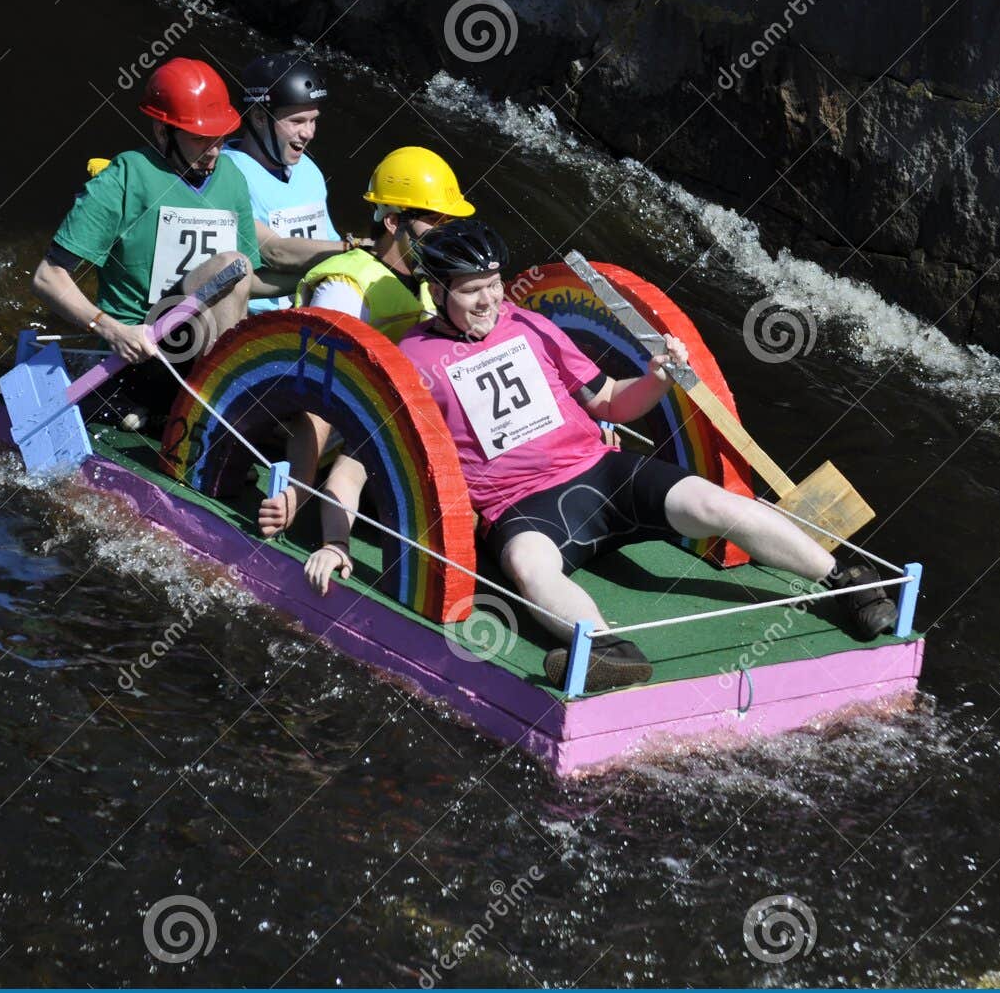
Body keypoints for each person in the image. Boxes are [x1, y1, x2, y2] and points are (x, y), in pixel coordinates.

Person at [380, 220, 896, 692]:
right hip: (521, 505)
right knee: (526, 565)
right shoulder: (412, 358)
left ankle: (845, 582)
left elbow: (608, 402)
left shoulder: (529, 324)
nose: (489, 299)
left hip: (603, 472)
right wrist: (338, 535)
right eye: (472, 290)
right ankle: (608, 651)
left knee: (717, 505)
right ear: (438, 290)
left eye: (494, 283)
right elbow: (386, 448)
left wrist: (655, 378)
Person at [31, 57, 347, 429]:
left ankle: (217, 410)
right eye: (200, 138)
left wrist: (322, 274)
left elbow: (243, 282)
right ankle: (213, 422)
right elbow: (48, 277)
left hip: (201, 353)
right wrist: (110, 329)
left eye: (219, 136)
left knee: (238, 268)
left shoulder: (230, 177)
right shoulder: (125, 177)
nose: (214, 150)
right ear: (163, 132)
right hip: (140, 354)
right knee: (233, 263)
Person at [255, 146, 475, 539]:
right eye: (433, 220)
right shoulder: (346, 285)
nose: (445, 233)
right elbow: (316, 392)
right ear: (393, 222)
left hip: (377, 430)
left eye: (447, 221)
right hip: (320, 428)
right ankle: (296, 497)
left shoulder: (430, 286)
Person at [222, 51, 345, 312]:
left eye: (313, 120)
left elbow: (330, 242)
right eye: (297, 121)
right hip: (249, 321)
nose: (309, 133)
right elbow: (275, 253)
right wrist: (356, 249)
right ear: (258, 116)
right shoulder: (223, 174)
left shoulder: (308, 169)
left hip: (307, 311)